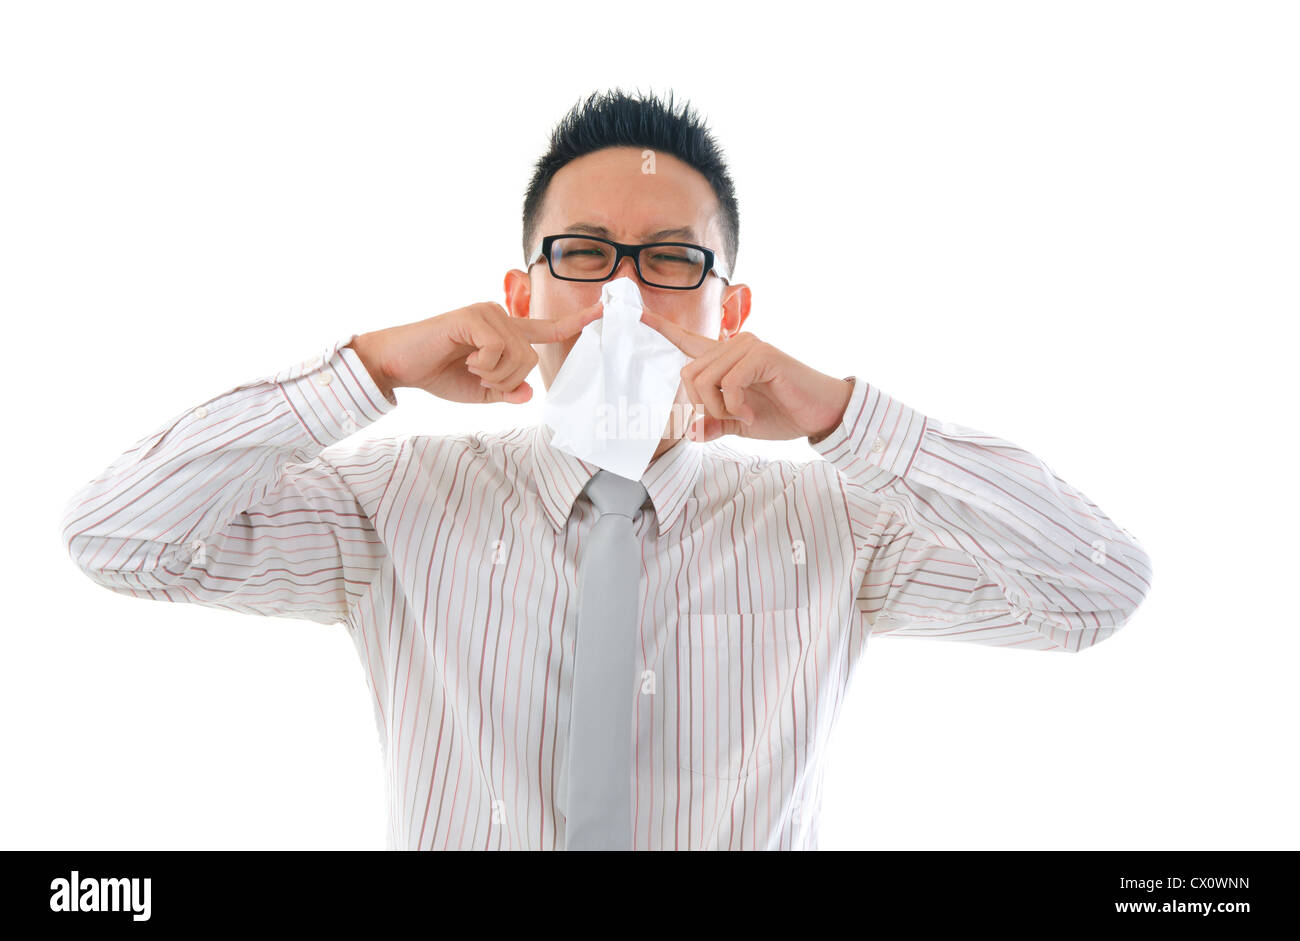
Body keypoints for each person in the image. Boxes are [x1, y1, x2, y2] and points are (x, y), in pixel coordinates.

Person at [59, 88, 1152, 850]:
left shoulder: (836, 521)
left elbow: (1092, 591)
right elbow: (118, 538)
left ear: (731, 309)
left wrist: (842, 417)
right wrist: (372, 366)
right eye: (582, 254)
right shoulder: (393, 505)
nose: (620, 298)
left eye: (672, 260)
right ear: (519, 292)